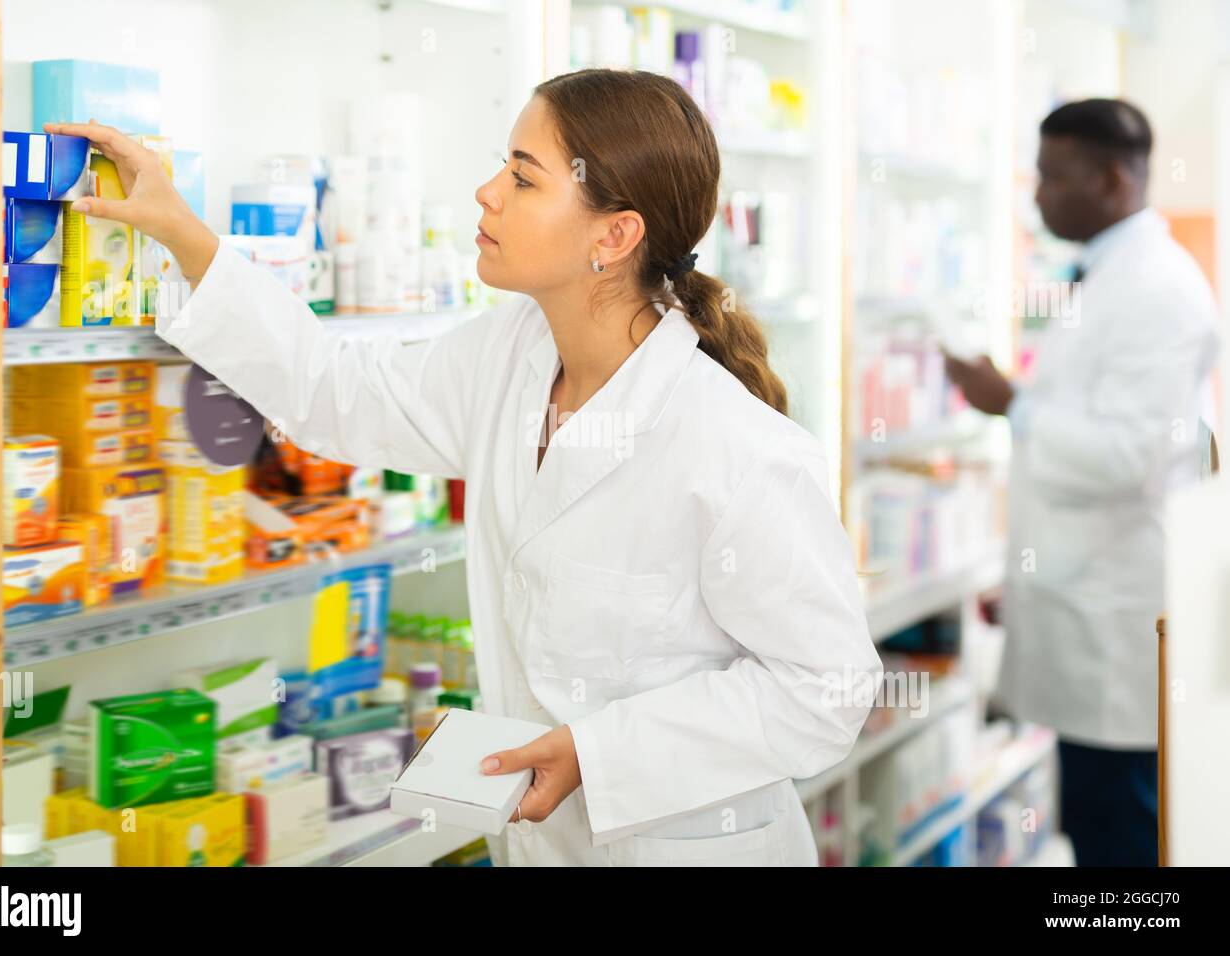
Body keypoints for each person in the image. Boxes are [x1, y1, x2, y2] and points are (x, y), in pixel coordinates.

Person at [47, 67, 882, 867]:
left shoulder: (733, 446)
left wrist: (598, 753)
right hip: (534, 840)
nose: (488, 192)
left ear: (614, 236)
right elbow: (336, 392)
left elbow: (829, 688)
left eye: (523, 176)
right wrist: (181, 231)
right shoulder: (511, 353)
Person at [944, 98, 1220, 866]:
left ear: (1108, 181)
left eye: (1052, 176)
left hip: (1118, 632)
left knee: (1123, 836)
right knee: (1099, 824)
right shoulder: (1112, 274)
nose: (1037, 194)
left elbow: (1132, 454)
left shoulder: (1157, 288)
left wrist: (1014, 405)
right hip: (1084, 599)